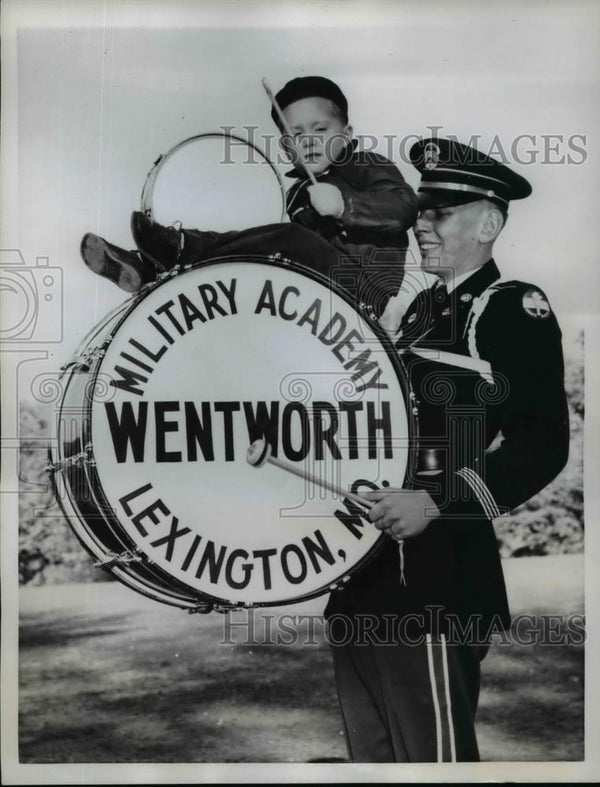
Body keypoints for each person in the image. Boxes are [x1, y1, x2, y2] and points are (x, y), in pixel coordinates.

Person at [324, 137, 570, 762]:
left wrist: (434, 502)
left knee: (437, 767)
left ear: (488, 222)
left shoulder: (509, 307)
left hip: (436, 583)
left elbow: (542, 444)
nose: (421, 225)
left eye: (441, 212)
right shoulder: (413, 316)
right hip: (362, 581)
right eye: (420, 211)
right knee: (373, 765)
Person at [81, 76, 417, 316]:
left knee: (288, 238)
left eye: (321, 129)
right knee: (259, 255)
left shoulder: (364, 164)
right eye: (296, 134)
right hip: (319, 294)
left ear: (347, 134)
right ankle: (151, 271)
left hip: (368, 294)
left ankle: (181, 248)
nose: (309, 140)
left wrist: (346, 205)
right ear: (286, 148)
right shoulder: (299, 193)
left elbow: (403, 208)